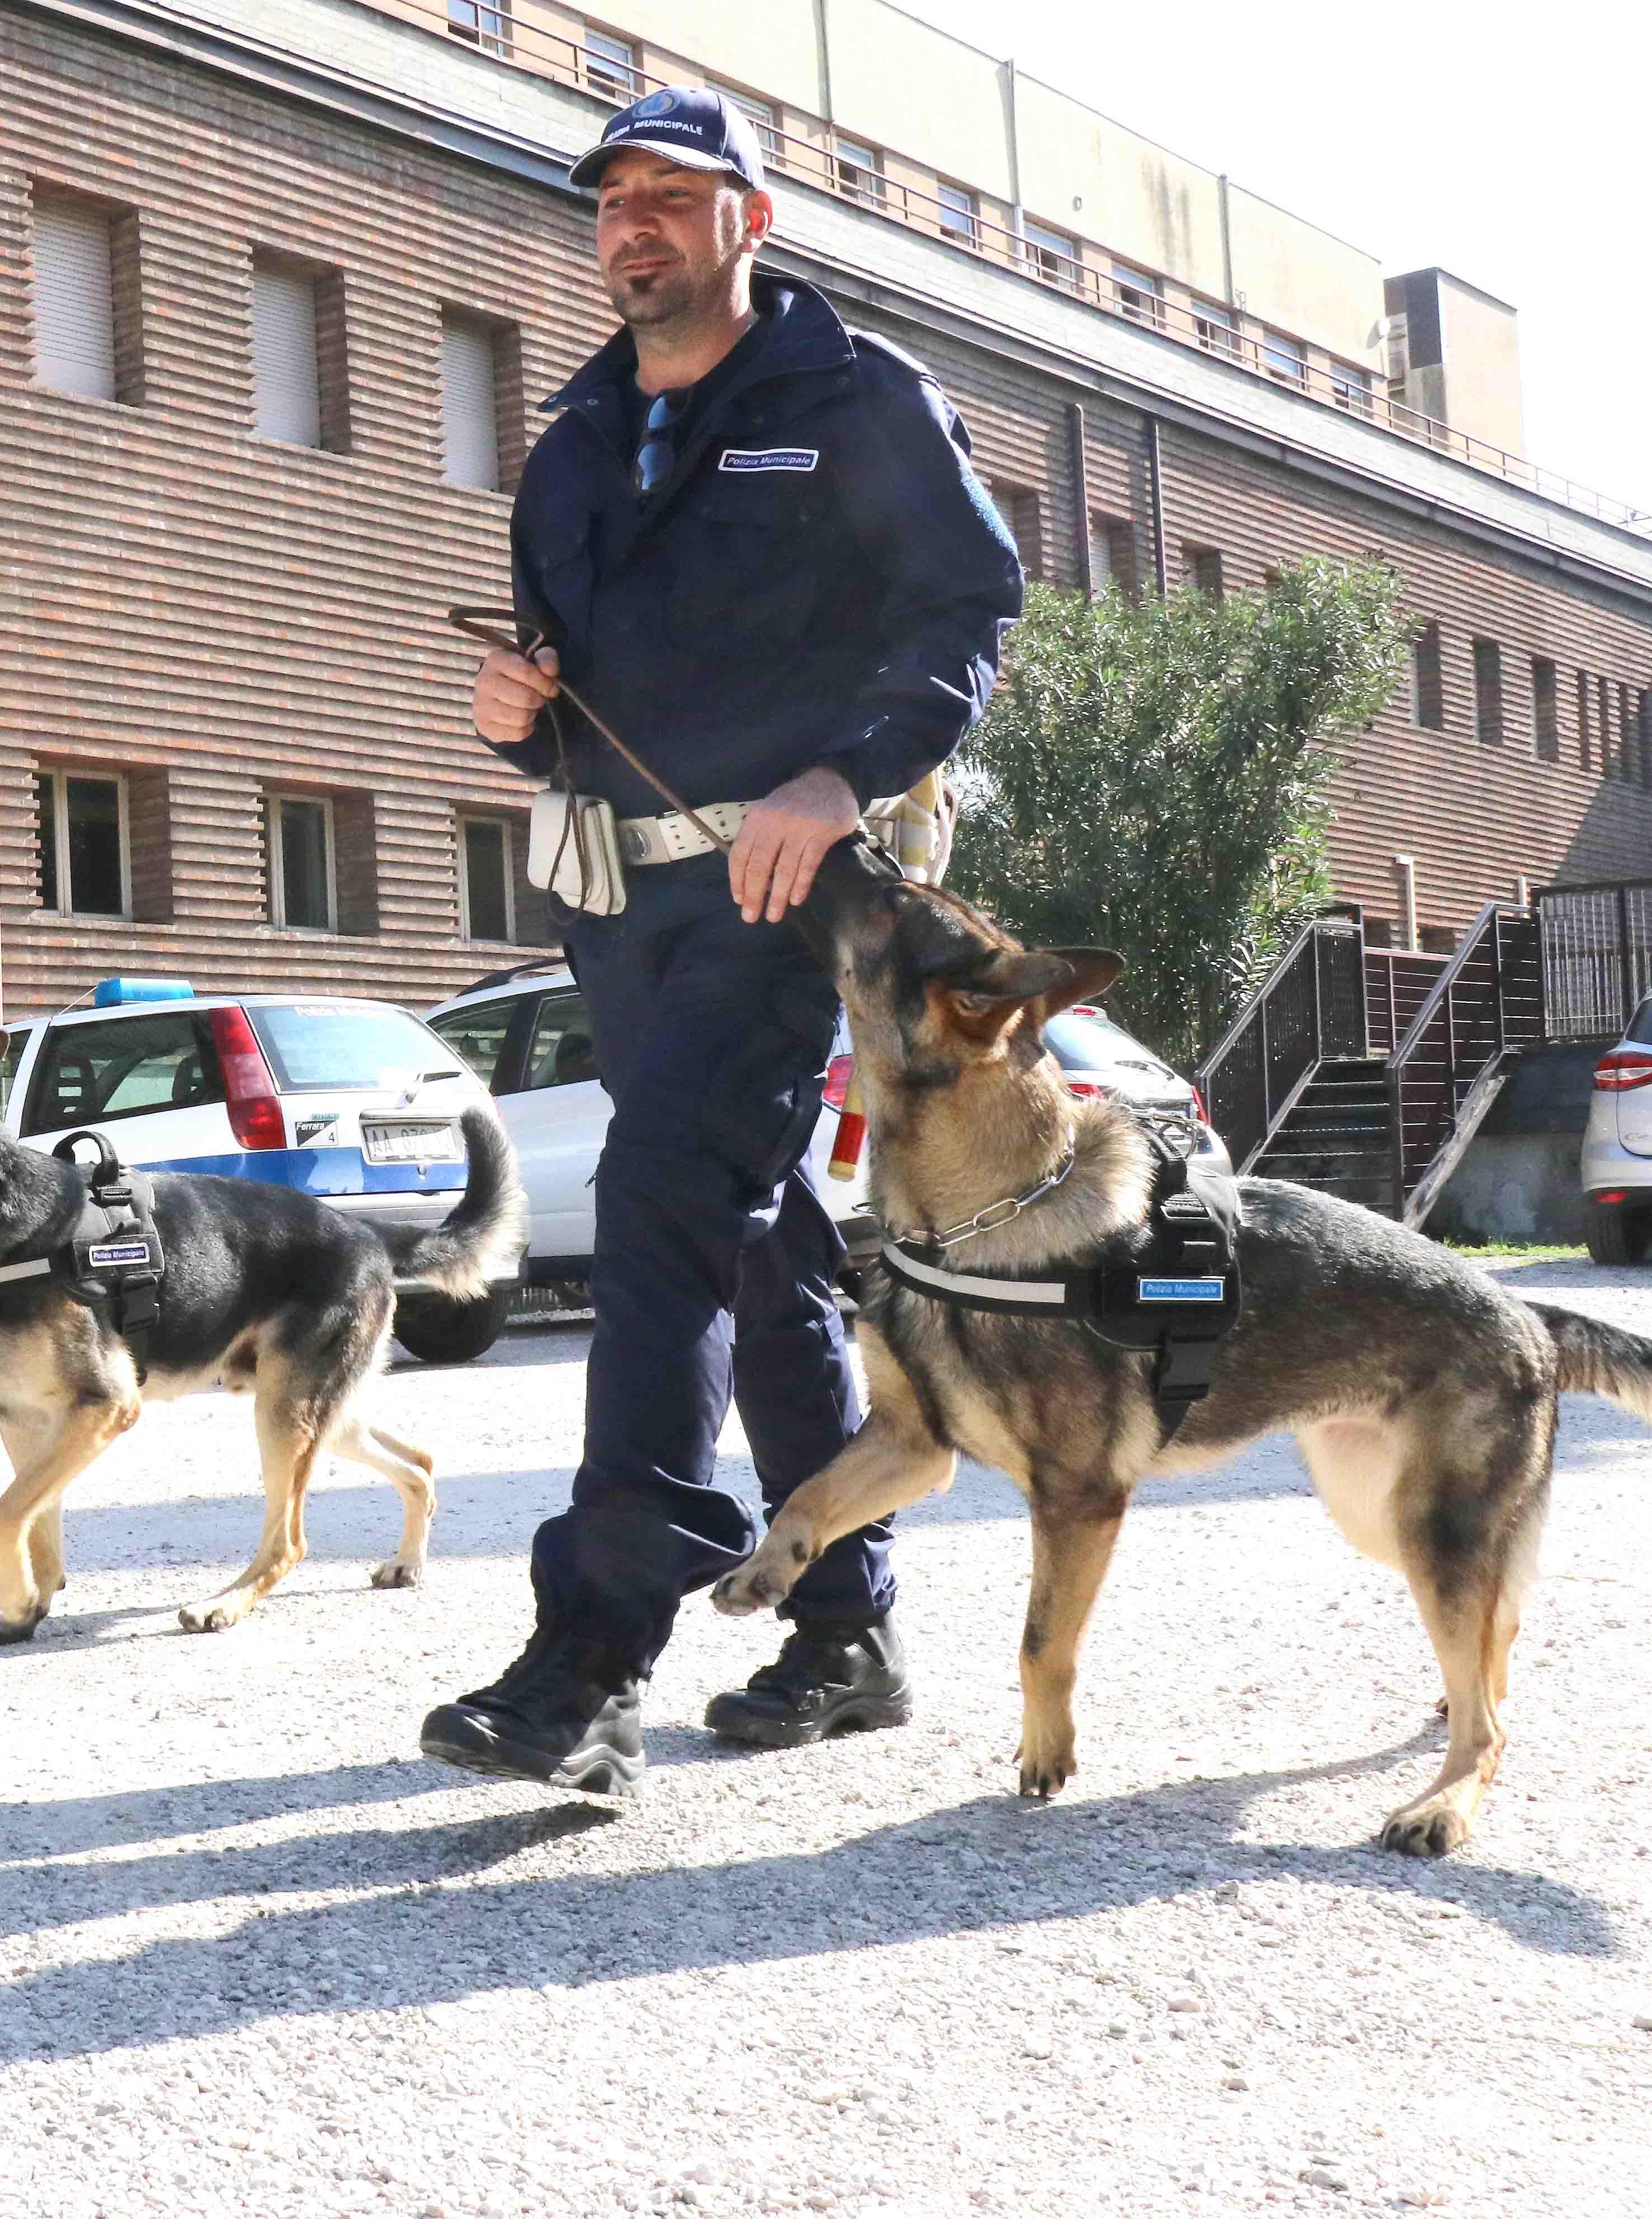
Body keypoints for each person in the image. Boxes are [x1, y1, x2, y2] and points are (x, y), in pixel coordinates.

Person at [419, 91, 1023, 1793]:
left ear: (748, 219)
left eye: (672, 197)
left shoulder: (849, 398)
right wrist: (510, 718)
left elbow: (968, 608)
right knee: (759, 1249)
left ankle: (590, 1653)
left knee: (663, 1204)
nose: (633, 226)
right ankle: (844, 1625)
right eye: (612, 200)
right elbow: (567, 687)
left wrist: (839, 776)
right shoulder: (571, 440)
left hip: (786, 889)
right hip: (616, 897)